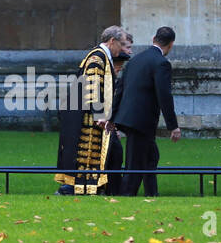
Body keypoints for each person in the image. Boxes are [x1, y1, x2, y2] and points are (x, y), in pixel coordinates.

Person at [55, 25, 130, 195]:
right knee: (86, 154)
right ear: (112, 41)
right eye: (122, 44)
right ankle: (75, 187)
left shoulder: (101, 56)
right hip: (86, 116)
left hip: (90, 114)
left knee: (107, 152)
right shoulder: (97, 57)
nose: (123, 49)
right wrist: (100, 115)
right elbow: (93, 87)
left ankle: (101, 187)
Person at [109, 27, 181, 197]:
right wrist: (173, 126)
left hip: (129, 118)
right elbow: (164, 96)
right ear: (171, 45)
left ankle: (151, 193)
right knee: (135, 162)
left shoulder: (135, 60)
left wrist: (113, 117)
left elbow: (120, 89)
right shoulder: (161, 63)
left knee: (151, 157)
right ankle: (126, 194)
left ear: (153, 38)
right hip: (142, 121)